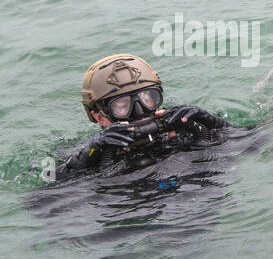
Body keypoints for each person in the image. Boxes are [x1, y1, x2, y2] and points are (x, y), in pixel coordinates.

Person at [57, 53, 230, 180]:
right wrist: (83, 160)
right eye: (122, 106)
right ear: (99, 116)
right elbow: (40, 202)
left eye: (148, 98)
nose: (140, 113)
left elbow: (253, 144)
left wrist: (214, 122)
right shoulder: (86, 154)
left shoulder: (184, 133)